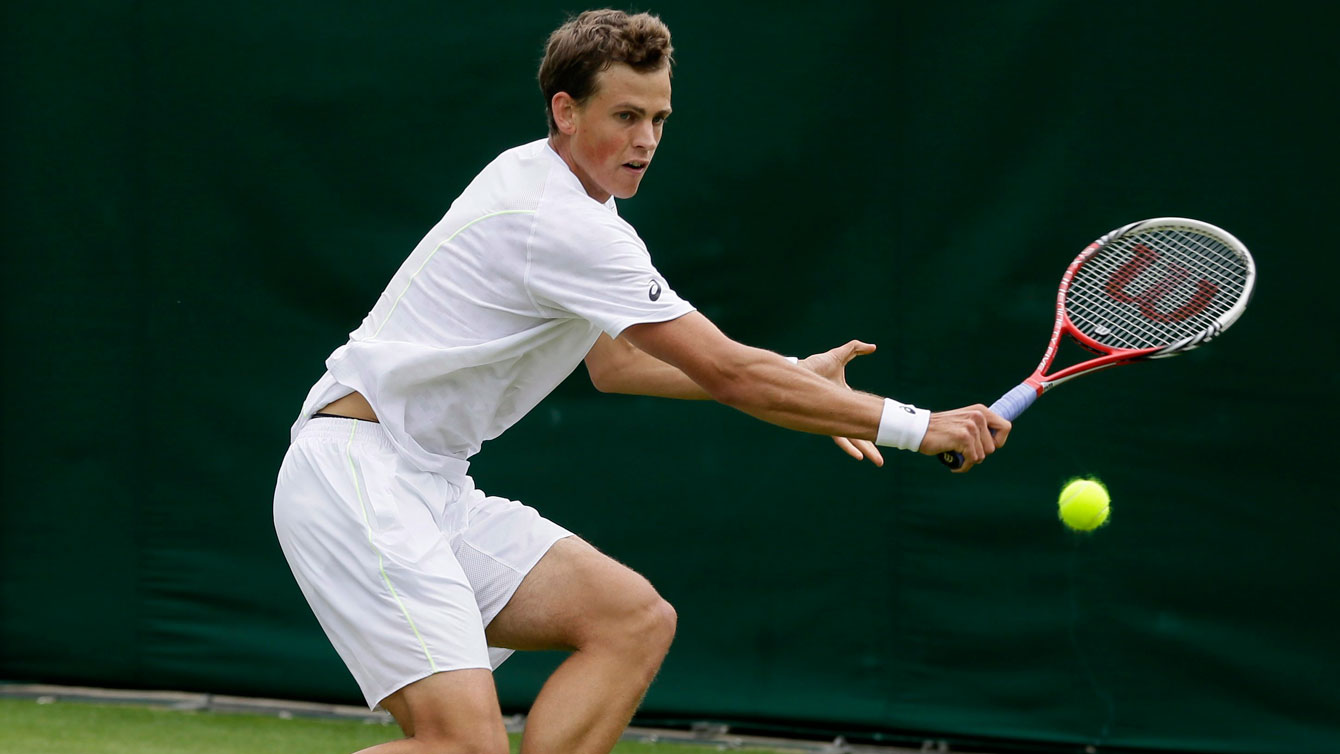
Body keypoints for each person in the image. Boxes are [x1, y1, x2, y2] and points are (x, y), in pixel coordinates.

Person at [273, 8, 1009, 754]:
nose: (647, 140)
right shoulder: (562, 223)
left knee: (630, 620)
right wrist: (922, 425)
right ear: (565, 111)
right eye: (625, 116)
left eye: (658, 117)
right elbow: (725, 372)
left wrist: (798, 378)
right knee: (464, 746)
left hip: (427, 485)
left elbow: (617, 365)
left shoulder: (556, 189)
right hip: (358, 481)